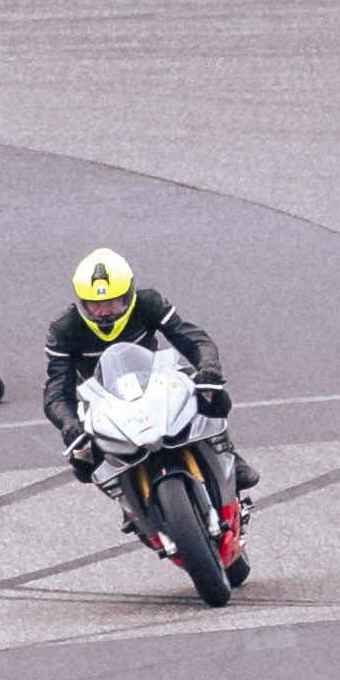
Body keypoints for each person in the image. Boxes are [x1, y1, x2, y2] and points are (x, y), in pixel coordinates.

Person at [42, 245, 248, 583]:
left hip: (155, 380)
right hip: (102, 399)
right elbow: (55, 392)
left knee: (210, 395)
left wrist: (208, 368)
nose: (105, 312)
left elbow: (192, 337)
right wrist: (69, 426)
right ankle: (128, 503)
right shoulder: (64, 329)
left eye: (112, 302)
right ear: (82, 303)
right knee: (83, 458)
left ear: (129, 295)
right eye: (96, 304)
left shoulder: (149, 303)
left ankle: (232, 458)